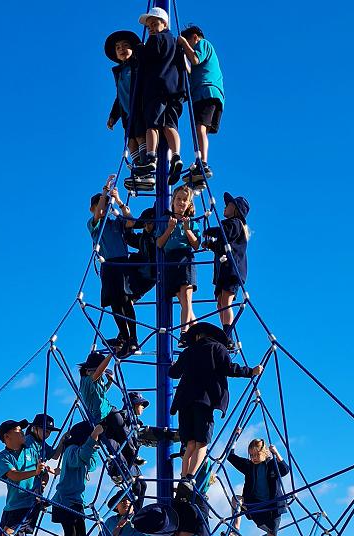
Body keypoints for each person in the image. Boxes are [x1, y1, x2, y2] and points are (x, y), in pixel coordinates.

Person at [170, 321, 263, 493]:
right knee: (202, 442)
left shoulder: (188, 352)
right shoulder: (217, 348)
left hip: (183, 401)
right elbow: (229, 368)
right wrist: (251, 371)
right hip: (204, 401)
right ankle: (190, 478)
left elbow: (173, 373)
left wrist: (174, 364)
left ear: (197, 336)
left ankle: (183, 476)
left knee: (189, 442)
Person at [131, 7, 186, 186]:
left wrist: (139, 49)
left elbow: (147, 57)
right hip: (175, 90)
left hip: (155, 89)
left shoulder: (157, 40)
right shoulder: (176, 43)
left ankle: (151, 157)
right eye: (149, 27)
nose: (151, 29)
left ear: (164, 24)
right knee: (170, 125)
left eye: (154, 24)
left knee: (152, 124)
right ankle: (176, 156)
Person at [227, 438, 291, 536]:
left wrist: (277, 454)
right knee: (236, 500)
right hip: (254, 505)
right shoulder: (249, 466)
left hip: (271, 509)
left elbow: (285, 470)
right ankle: (235, 531)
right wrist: (236, 437)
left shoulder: (270, 464)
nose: (253, 458)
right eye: (251, 455)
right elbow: (231, 456)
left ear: (264, 453)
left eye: (256, 455)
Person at [88, 180, 139, 356]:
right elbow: (99, 213)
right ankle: (125, 337)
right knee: (115, 305)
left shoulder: (116, 222)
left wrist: (117, 201)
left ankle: (133, 338)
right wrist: (105, 192)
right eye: (99, 206)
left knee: (126, 301)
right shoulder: (94, 226)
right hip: (108, 265)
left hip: (122, 263)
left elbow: (131, 221)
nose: (103, 209)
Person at [51, 421, 105, 536]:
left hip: (75, 501)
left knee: (80, 535)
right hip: (65, 500)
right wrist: (93, 437)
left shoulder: (81, 451)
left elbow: (92, 465)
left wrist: (93, 445)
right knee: (71, 533)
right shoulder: (71, 451)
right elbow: (80, 458)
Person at [177, 25, 224, 182]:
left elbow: (195, 59)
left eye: (189, 42)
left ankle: (202, 163)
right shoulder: (201, 67)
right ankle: (200, 168)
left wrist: (183, 43)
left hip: (206, 92)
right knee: (201, 130)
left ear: (195, 37)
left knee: (200, 128)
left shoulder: (203, 44)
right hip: (208, 93)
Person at [202, 192, 250, 342]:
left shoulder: (235, 223)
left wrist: (211, 231)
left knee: (226, 301)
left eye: (228, 204)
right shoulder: (234, 226)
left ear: (235, 209)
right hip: (225, 269)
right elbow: (222, 245)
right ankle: (225, 332)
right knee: (221, 303)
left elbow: (225, 234)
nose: (225, 206)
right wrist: (211, 245)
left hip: (231, 270)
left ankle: (227, 334)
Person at [156, 184, 200, 333]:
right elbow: (159, 243)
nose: (181, 202)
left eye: (185, 200)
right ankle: (198, 331)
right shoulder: (164, 220)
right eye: (179, 199)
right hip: (170, 260)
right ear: (173, 200)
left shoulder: (192, 222)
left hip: (185, 257)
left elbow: (196, 245)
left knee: (187, 297)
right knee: (182, 300)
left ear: (189, 204)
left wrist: (187, 229)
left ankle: (184, 332)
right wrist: (169, 228)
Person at [104, 30, 145, 177]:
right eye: (118, 48)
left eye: (125, 46)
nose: (121, 49)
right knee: (130, 140)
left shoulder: (137, 64)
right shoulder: (119, 72)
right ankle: (138, 166)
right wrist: (113, 117)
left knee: (141, 135)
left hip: (139, 107)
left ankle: (145, 164)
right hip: (127, 112)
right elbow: (119, 96)